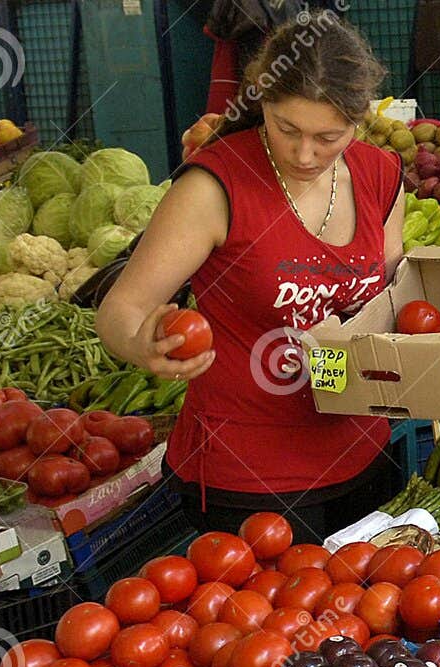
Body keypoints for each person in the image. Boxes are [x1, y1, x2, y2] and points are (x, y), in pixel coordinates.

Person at [96, 16, 404, 543]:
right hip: (250, 480)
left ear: (358, 120)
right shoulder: (214, 187)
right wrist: (142, 342)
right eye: (287, 129)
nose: (305, 154)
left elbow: (392, 285)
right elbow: (118, 312)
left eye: (328, 137)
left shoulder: (380, 173)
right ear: (261, 101)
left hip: (364, 453)